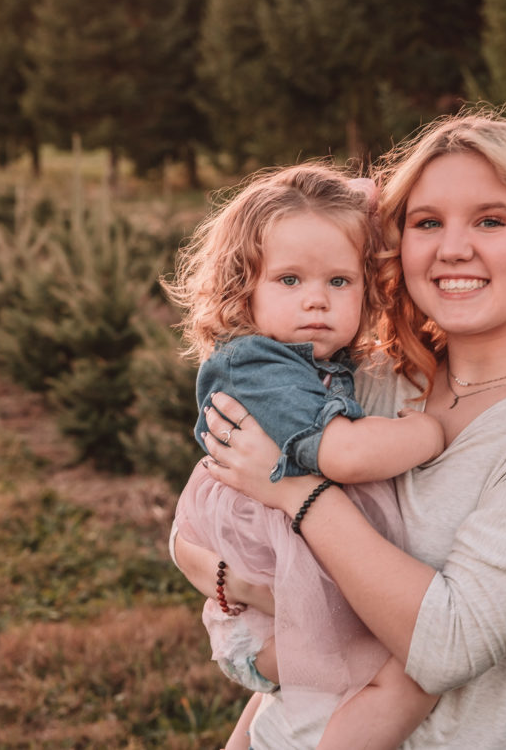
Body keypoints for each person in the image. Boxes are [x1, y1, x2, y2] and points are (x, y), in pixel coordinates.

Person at [174, 108, 506, 749]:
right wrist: (253, 592)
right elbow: (198, 538)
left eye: (491, 219)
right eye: (428, 223)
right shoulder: (372, 380)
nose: (453, 247)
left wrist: (294, 495)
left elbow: (445, 646)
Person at [162, 163, 445, 750]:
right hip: (259, 628)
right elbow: (339, 454)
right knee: (412, 671)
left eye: (340, 282)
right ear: (245, 290)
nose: (316, 300)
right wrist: (431, 433)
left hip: (271, 605)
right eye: (289, 281)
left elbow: (342, 228)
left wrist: (363, 205)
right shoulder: (259, 364)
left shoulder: (320, 358)